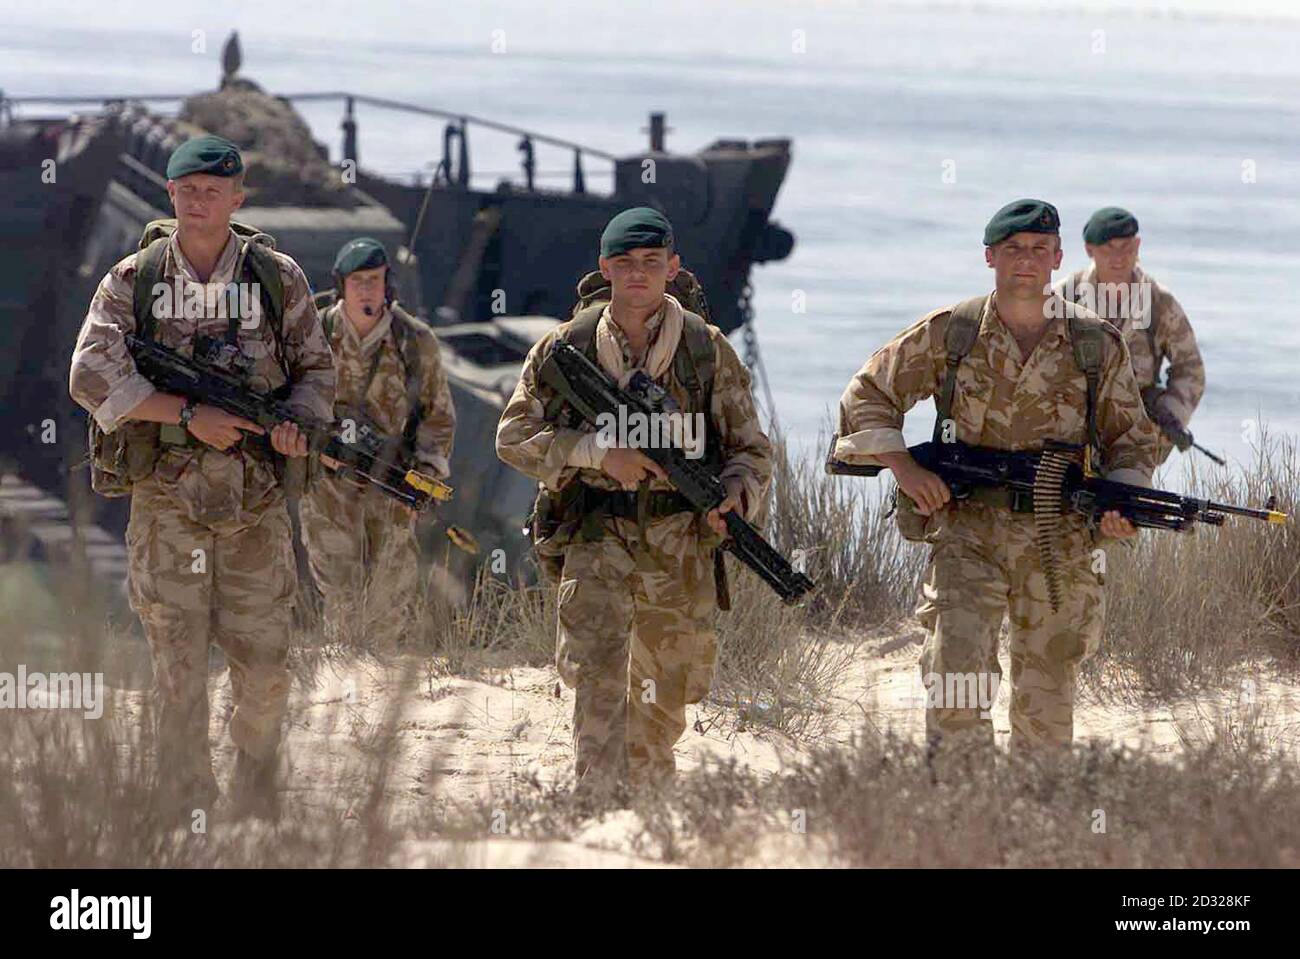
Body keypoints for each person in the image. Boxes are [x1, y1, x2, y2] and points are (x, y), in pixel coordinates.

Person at [69, 134, 335, 818]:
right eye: (187, 191)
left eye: (213, 192)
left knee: (267, 667)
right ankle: (184, 798)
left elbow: (316, 374)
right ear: (171, 195)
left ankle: (255, 775)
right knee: (178, 665)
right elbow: (90, 375)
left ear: (237, 198)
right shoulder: (135, 279)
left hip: (256, 506)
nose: (199, 202)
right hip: (168, 503)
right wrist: (187, 414)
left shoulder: (279, 278)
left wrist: (294, 424)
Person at [835, 199, 1157, 751]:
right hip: (967, 533)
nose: (1025, 261)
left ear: (1058, 257)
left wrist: (1122, 506)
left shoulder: (1094, 344)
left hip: (1058, 541)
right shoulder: (952, 333)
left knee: (1047, 692)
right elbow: (868, 394)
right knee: (956, 677)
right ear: (990, 256)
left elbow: (1130, 440)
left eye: (1038, 250)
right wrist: (905, 469)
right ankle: (962, 813)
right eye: (1012, 250)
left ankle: (1036, 818)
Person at [496, 207, 772, 791]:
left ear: (673, 268)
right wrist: (597, 453)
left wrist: (736, 497)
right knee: (596, 682)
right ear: (605, 268)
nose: (638, 274)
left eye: (652, 263)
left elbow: (750, 448)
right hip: (595, 536)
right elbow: (513, 438)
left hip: (678, 547)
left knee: (663, 694)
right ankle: (596, 809)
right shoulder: (565, 347)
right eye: (625, 264)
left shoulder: (705, 351)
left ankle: (645, 818)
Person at [298, 238, 455, 646]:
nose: (367, 289)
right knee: (341, 594)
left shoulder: (414, 341)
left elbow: (436, 416)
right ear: (341, 284)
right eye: (358, 281)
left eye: (375, 279)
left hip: (391, 485)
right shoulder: (313, 334)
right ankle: (346, 685)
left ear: (389, 283)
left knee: (388, 602)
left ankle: (380, 686)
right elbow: (286, 399)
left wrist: (426, 475)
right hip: (327, 486)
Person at [1055, 207, 1205, 464]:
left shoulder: (1159, 302)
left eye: (1126, 248)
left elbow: (1190, 369)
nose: (1118, 258)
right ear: (1089, 250)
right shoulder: (1064, 297)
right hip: (1069, 438)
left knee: (1132, 497)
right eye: (1107, 250)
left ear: (1138, 245)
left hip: (1134, 439)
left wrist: (1164, 426)